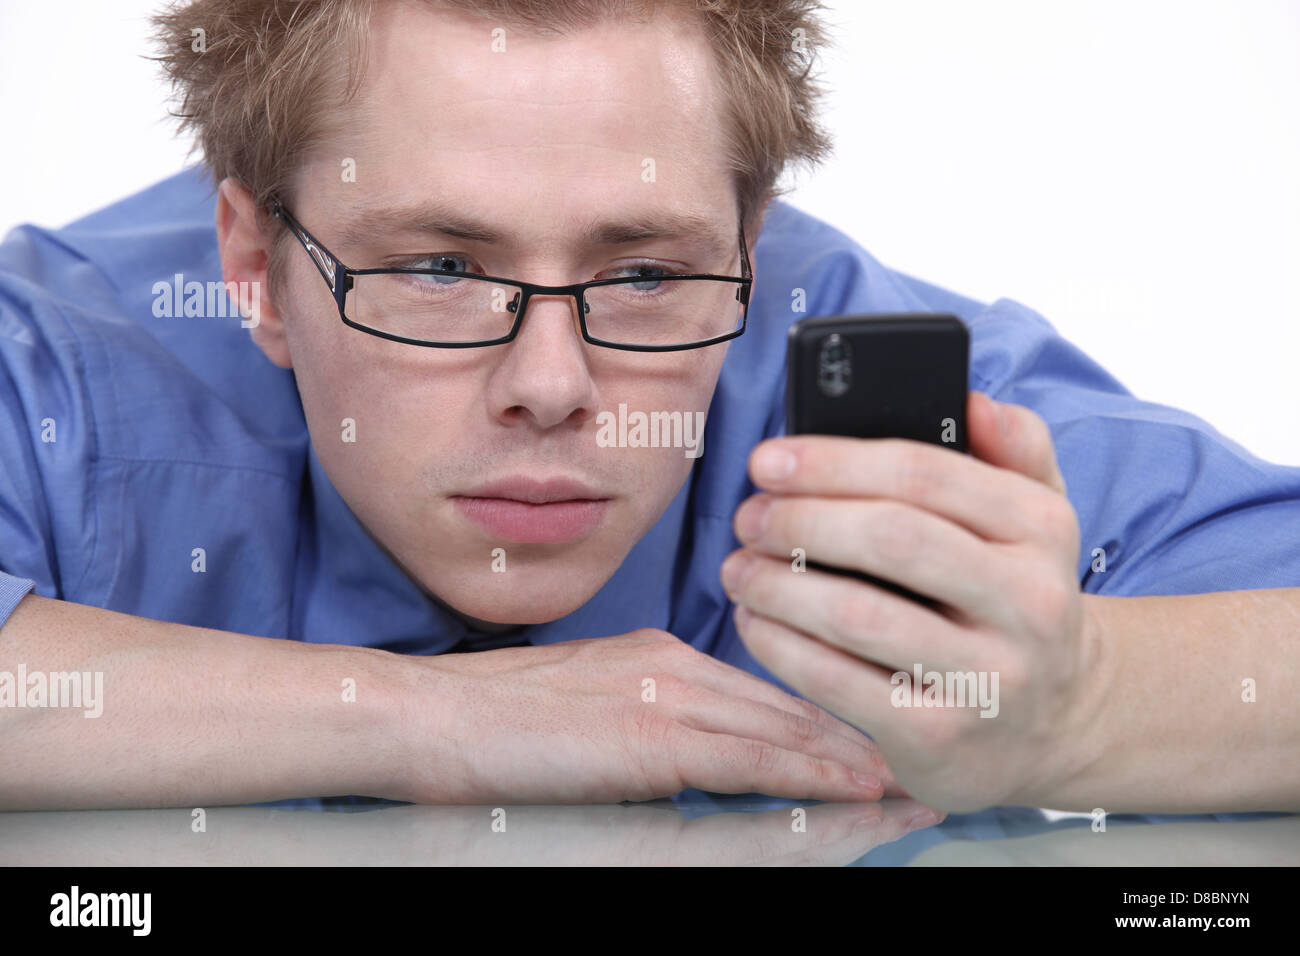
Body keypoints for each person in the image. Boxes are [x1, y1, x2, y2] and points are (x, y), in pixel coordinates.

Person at [0, 0, 1296, 816]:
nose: (554, 388)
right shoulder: (55, 368)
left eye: (645, 272)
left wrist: (1080, 703)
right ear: (251, 268)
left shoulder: (877, 393)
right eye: (440, 270)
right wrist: (425, 722)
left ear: (752, 238)